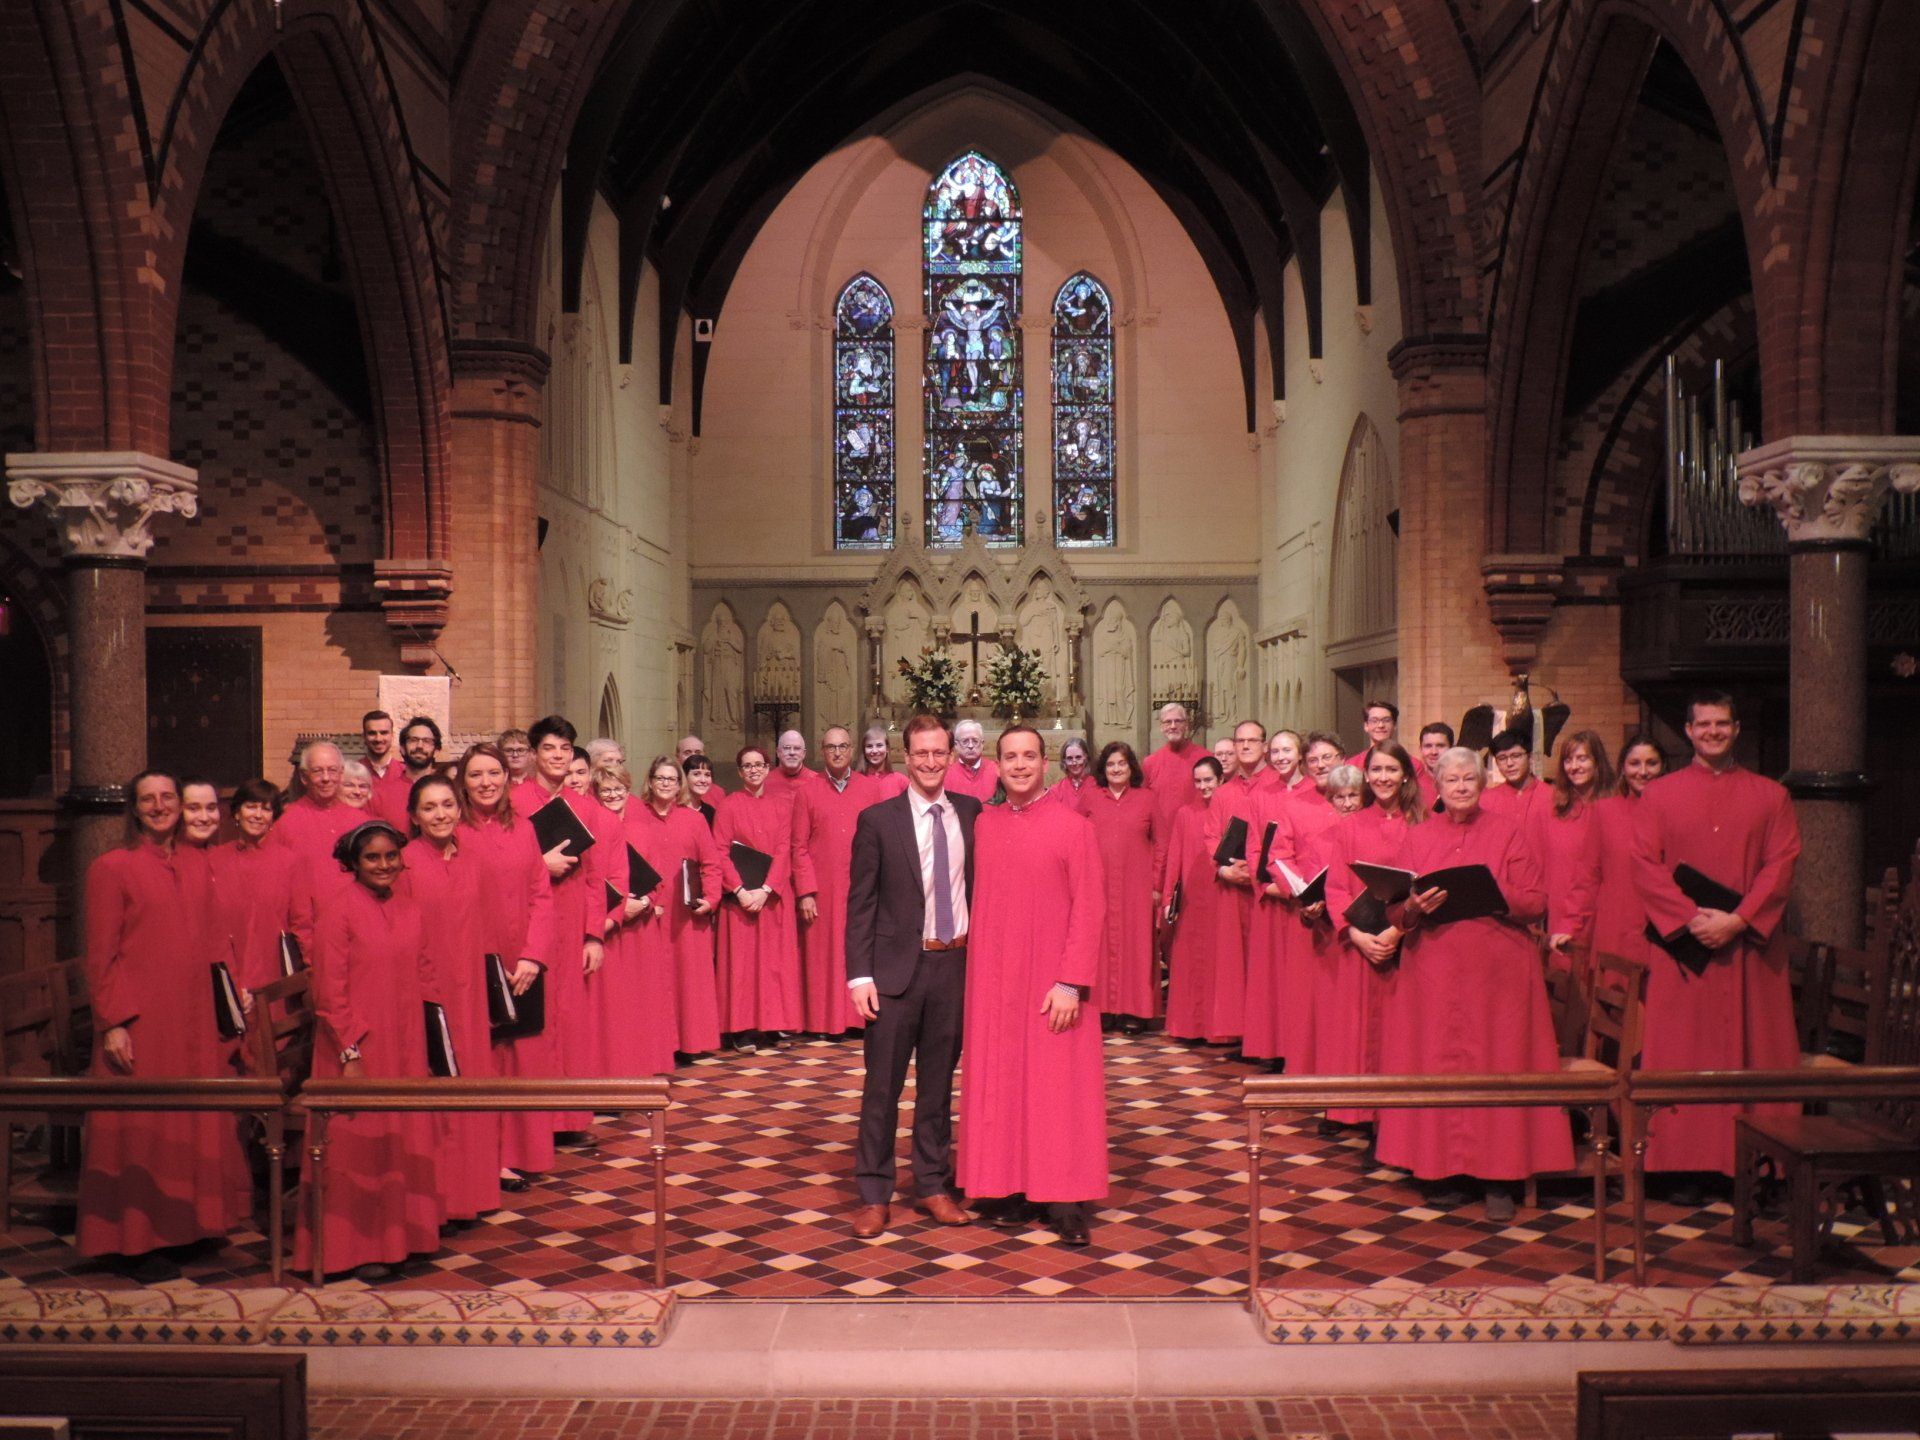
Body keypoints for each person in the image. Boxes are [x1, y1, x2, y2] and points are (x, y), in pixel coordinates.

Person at [1374, 748, 1571, 1221]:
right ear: (1436, 788)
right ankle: (1440, 1169)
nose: (1460, 787)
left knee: (1498, 1066)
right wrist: (1414, 909)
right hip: (1435, 974)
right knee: (1436, 1064)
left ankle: (1499, 1176)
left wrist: (1490, 889)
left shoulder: (1508, 832)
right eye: (1451, 780)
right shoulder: (1417, 837)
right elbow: (1396, 909)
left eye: (1468, 779)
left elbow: (1536, 900)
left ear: (1481, 785)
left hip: (1498, 977)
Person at [77, 770, 250, 1283]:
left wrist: (232, 995)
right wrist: (113, 1022)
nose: (160, 807)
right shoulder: (112, 868)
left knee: (193, 1119)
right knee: (144, 1127)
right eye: (148, 800)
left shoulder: (198, 862)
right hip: (144, 1020)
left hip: (195, 1017)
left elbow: (218, 939)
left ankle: (191, 1226)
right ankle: (135, 1239)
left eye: (168, 798)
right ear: (134, 809)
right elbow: (101, 954)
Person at [1632, 693, 1800, 1191]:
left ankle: (1760, 1162)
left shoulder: (1772, 795)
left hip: (1749, 950)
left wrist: (1739, 920)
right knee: (1682, 1055)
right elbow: (1644, 865)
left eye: (1721, 724)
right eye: (1703, 724)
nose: (1712, 732)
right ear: (1687, 730)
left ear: (1737, 728)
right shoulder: (1658, 795)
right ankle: (1681, 1165)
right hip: (1686, 952)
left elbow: (1782, 863)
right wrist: (1691, 920)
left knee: (1755, 1056)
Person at [959, 726, 1108, 1247]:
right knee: (1005, 1079)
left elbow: (1090, 909)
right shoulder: (985, 825)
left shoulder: (1073, 827)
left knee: (1056, 1087)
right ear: (996, 766)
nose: (1019, 765)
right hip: (995, 981)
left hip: (1052, 981)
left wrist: (1070, 982)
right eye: (1010, 757)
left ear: (1045, 763)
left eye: (1028, 756)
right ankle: (1010, 1185)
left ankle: (1064, 1195)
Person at [844, 714, 979, 1238]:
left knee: (938, 1088)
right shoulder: (878, 820)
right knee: (882, 1089)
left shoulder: (971, 814)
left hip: (953, 967)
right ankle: (874, 1193)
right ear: (905, 756)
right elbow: (861, 905)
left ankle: (932, 1185)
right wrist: (860, 977)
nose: (929, 762)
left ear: (951, 756)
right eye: (920, 753)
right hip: (895, 973)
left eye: (938, 753)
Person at [295, 819, 444, 1281]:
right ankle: (351, 1250)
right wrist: (349, 1053)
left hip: (403, 1045)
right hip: (356, 1048)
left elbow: (422, 972)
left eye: (391, 856)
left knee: (401, 1136)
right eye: (372, 858)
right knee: (356, 1146)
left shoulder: (409, 905)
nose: (384, 865)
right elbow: (328, 993)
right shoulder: (338, 910)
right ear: (353, 863)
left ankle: (403, 1239)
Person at [399, 773, 500, 1224]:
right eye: (429, 807)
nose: (440, 814)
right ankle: (438, 1201)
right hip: (428, 997)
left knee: (472, 1088)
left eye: (446, 805)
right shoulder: (403, 864)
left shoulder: (472, 859)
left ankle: (471, 1195)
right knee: (438, 1092)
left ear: (459, 810)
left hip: (471, 997)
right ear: (414, 816)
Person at [455, 743, 554, 1185]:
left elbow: (541, 894)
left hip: (523, 958)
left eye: (493, 773)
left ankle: (523, 1152)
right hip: (474, 961)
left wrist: (534, 955)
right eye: (476, 775)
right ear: (463, 782)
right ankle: (488, 1156)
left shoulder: (525, 830)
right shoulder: (452, 830)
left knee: (522, 1057)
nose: (486, 782)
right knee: (485, 1059)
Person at [1319, 744, 1425, 1132]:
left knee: (1396, 1034)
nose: (1382, 777)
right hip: (1359, 943)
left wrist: (1398, 932)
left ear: (1406, 776)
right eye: (1376, 769)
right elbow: (1335, 889)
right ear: (1366, 776)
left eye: (1391, 769)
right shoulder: (1349, 826)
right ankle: (1352, 1109)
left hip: (1406, 942)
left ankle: (1388, 1119)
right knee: (1352, 1029)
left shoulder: (1421, 824)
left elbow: (1425, 885)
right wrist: (1356, 935)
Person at [511, 715, 607, 1140]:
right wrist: (539, 864)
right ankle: (536, 1122)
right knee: (537, 1023)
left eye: (565, 750)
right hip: (531, 924)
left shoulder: (584, 806)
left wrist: (594, 935)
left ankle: (569, 1119)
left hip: (572, 928)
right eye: (549, 748)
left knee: (571, 1021)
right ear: (534, 754)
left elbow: (594, 877)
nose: (557, 756)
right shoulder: (513, 802)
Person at [622, 756, 723, 1059]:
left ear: (680, 785)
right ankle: (659, 1043)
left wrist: (712, 898)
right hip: (649, 912)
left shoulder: (693, 819)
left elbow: (711, 863)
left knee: (688, 980)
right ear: (650, 782)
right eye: (660, 779)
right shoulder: (635, 818)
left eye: (672, 779)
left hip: (686, 913)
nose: (666, 784)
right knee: (656, 980)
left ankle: (690, 1043)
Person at [593, 763, 681, 1077]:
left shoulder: (643, 828)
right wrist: (617, 907)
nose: (614, 795)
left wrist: (643, 902)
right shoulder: (594, 829)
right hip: (611, 927)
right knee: (614, 1003)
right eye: (606, 791)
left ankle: (643, 1066)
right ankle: (615, 1068)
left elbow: (661, 878)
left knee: (640, 1001)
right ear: (597, 794)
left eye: (619, 789)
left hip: (641, 927)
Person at [791, 727, 879, 1038]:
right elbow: (798, 846)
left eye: (843, 746)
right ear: (822, 751)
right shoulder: (807, 792)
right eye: (831, 747)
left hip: (861, 886)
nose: (838, 752)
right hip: (823, 888)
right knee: (823, 955)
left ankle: (858, 1018)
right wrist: (806, 892)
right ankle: (823, 1022)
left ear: (852, 749)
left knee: (859, 949)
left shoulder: (870, 789)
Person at [714, 745, 802, 1051]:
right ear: (739, 772)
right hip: (740, 901)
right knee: (742, 966)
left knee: (774, 964)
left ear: (768, 768)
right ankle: (741, 1028)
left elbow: (784, 849)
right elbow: (720, 852)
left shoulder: (781, 805)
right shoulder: (728, 805)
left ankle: (773, 1024)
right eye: (747, 766)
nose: (753, 770)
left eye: (759, 765)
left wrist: (765, 890)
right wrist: (739, 890)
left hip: (771, 898)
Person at [1160, 755, 1244, 1046]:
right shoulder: (1185, 813)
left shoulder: (1231, 810)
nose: (1203, 786)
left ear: (1221, 780)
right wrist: (1169, 897)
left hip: (1221, 895)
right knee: (1191, 963)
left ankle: (1217, 1030)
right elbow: (1174, 858)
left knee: (1218, 963)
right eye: (1198, 781)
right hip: (1193, 899)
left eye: (1209, 780)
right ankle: (1189, 1026)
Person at [1086, 741, 1160, 1033]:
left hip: (1136, 886)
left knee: (1137, 946)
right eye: (1111, 764)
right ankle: (1102, 1008)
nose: (1116, 769)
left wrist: (1156, 886)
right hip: (1099, 884)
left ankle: (1135, 1011)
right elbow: (1075, 838)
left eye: (1122, 764)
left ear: (1131, 768)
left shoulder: (1148, 799)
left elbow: (1162, 844)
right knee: (1100, 945)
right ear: (1103, 769)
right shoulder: (1091, 799)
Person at [211, 778, 300, 992]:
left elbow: (300, 918)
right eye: (251, 807)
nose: (258, 815)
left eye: (266, 809)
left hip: (274, 963)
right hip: (228, 962)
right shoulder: (214, 859)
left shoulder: (289, 860)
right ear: (237, 812)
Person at [1533, 731, 1608, 970]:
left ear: (1597, 761)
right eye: (1568, 760)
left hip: (1601, 913)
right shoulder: (1554, 810)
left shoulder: (1613, 806)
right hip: (1561, 911)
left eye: (1582, 758)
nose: (1574, 766)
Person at [1140, 702, 1203, 824]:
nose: (1173, 726)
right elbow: (1144, 804)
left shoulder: (1204, 758)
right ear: (1161, 726)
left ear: (1186, 725)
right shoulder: (1150, 763)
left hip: (1194, 831)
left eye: (1178, 721)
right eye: (1168, 722)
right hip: (1162, 836)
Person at [1480, 728, 1545, 821]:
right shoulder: (1487, 800)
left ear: (1530, 757)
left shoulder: (1552, 797)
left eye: (1516, 756)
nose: (1509, 763)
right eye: (1502, 758)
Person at [945, 719, 999, 801]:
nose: (970, 745)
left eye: (975, 741)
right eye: (965, 741)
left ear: (982, 744)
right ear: (956, 745)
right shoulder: (946, 773)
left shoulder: (996, 770)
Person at [1047, 737, 1097, 814]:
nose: (1074, 763)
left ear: (1085, 757)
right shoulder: (1056, 791)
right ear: (1064, 761)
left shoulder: (1097, 786)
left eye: (1078, 757)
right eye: (1069, 758)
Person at [859, 726, 909, 798]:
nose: (874, 751)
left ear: (887, 748)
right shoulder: (856, 781)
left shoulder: (901, 781)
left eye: (879, 745)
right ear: (864, 750)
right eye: (869, 746)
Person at [766, 729, 816, 798]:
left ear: (804, 754)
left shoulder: (817, 782)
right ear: (778, 752)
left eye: (797, 748)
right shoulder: (765, 782)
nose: (792, 752)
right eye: (787, 748)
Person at [1416, 723, 1453, 809]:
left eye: (1440, 746)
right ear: (1420, 749)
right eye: (1428, 746)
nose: (1434, 752)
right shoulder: (1412, 786)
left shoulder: (1461, 784)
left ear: (1451, 749)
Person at [682, 753, 721, 828]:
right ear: (685, 776)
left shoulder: (710, 813)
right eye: (696, 774)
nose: (703, 780)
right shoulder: (672, 808)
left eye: (707, 775)